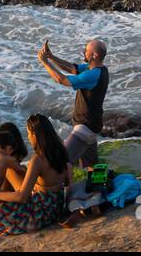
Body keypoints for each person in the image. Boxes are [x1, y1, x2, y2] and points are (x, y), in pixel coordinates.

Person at [0, 114, 69, 233]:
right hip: (55, 207)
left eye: (29, 133)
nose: (28, 137)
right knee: (11, 171)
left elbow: (22, 197)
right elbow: (67, 181)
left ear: (35, 135)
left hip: (39, 214)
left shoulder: (38, 160)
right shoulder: (61, 151)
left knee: (0, 195)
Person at [37, 38, 108, 169]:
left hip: (85, 128)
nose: (83, 52)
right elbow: (71, 68)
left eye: (86, 51)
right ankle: (95, 188)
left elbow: (61, 79)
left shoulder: (92, 75)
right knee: (91, 166)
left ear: (94, 55)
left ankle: (63, 188)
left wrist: (44, 62)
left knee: (61, 160)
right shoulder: (98, 69)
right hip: (92, 125)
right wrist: (51, 56)